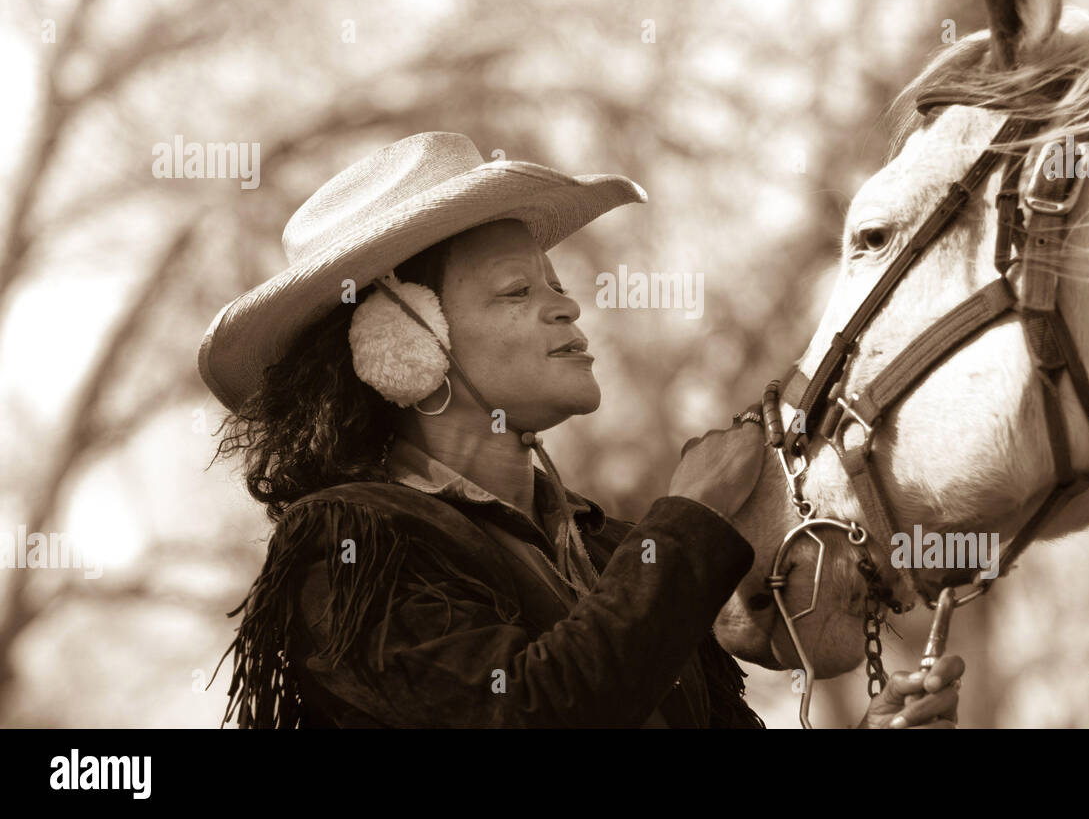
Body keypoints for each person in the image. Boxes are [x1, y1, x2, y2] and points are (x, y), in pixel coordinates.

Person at [201, 131, 963, 727]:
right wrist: (686, 524)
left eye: (556, 285)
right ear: (400, 345)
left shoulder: (612, 558)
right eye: (514, 290)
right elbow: (533, 712)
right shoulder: (348, 552)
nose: (565, 306)